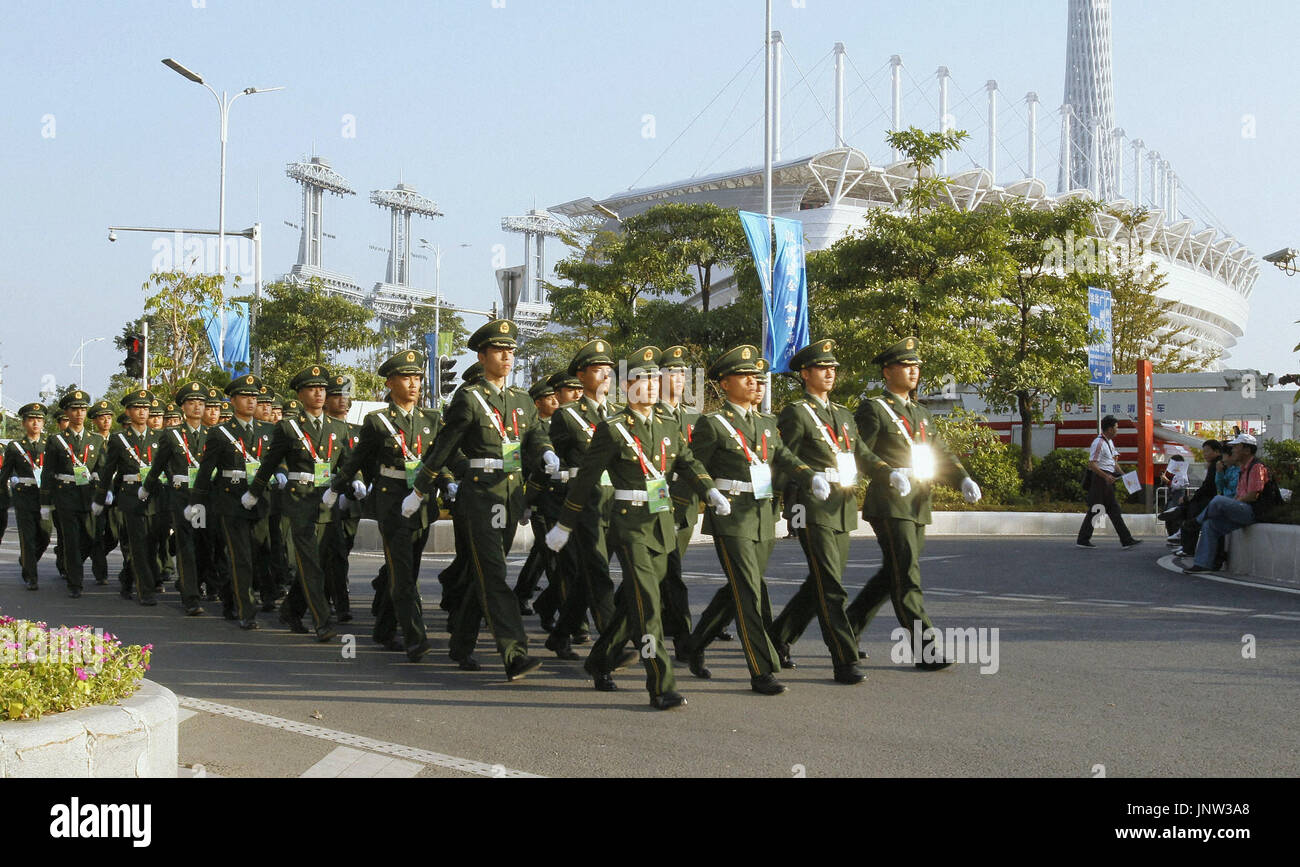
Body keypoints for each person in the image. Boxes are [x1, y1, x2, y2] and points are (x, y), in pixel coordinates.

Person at [545, 346, 728, 709]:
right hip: (629, 526)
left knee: (638, 603)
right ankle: (661, 683)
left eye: (651, 379)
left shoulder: (667, 424)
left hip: (661, 522)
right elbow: (585, 481)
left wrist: (710, 491)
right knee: (648, 606)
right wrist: (564, 525)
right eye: (638, 380)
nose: (647, 386)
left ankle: (601, 659)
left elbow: (688, 463)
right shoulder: (613, 430)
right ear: (626, 387)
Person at [408, 321, 555, 679]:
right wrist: (420, 489)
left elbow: (535, 436)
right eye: (499, 350)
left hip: (510, 494)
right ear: (482, 356)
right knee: (493, 573)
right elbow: (444, 446)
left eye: (511, 351)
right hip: (479, 496)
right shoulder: (469, 398)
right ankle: (514, 653)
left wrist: (547, 453)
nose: (507, 357)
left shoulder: (521, 400)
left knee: (482, 572)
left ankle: (461, 642)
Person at [683, 345, 822, 695]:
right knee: (749, 593)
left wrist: (809, 476)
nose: (755, 383)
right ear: (724, 383)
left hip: (762, 514)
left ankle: (694, 643)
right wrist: (706, 495)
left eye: (759, 378)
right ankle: (761, 668)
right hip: (731, 514)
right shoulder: (712, 424)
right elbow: (691, 465)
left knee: (738, 589)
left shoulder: (766, 422)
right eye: (746, 377)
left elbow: (786, 456)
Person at [847, 337, 982, 668]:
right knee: (907, 573)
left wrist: (962, 477)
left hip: (919, 500)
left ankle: (846, 628)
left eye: (917, 366)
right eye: (906, 366)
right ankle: (926, 648)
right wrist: (886, 474)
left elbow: (940, 450)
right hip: (891, 500)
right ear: (888, 371)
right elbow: (858, 451)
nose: (913, 372)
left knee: (894, 571)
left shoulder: (920, 413)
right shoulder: (875, 409)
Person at [768, 340, 881, 684]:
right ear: (805, 374)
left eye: (833, 367)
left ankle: (777, 637)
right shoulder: (796, 412)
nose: (830, 373)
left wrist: (889, 472)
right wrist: (782, 503)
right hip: (810, 503)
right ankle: (844, 658)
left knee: (821, 581)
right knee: (830, 585)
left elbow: (862, 453)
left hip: (842, 504)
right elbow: (782, 458)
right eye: (822, 368)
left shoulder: (844, 415)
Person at [329, 349, 450, 660]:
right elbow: (357, 459)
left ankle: (383, 627)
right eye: (406, 377)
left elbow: (438, 458)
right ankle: (414, 636)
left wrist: (448, 481)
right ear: (390, 382)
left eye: (418, 378)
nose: (413, 384)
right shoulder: (378, 421)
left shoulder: (431, 419)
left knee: (404, 568)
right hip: (392, 502)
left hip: (422, 502)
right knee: (404, 572)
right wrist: (338, 486)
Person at [248, 366, 350, 642]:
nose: (319, 393)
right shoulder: (288, 427)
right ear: (301, 394)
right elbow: (269, 463)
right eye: (312, 389)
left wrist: (354, 482)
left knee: (323, 560)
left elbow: (348, 464)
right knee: (310, 562)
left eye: (322, 389)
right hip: (299, 498)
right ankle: (322, 621)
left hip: (327, 499)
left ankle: (291, 610)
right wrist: (256, 491)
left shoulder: (338, 427)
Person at [545, 339, 622, 659]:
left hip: (616, 500)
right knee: (599, 569)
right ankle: (610, 646)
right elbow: (553, 460)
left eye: (609, 369)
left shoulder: (620, 413)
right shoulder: (567, 417)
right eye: (597, 369)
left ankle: (561, 634)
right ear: (581, 374)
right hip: (585, 502)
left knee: (586, 575)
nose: (605, 374)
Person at [191, 374, 274, 629]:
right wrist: (196, 503)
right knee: (240, 557)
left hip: (260, 500)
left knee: (260, 553)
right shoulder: (219, 433)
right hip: (231, 501)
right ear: (233, 399)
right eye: (245, 396)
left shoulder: (267, 430)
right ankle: (245, 610)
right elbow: (205, 472)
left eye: (254, 397)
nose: (251, 401)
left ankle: (229, 598)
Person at [142, 381, 210, 615]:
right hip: (181, 497)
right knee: (187, 545)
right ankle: (190, 597)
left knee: (203, 544)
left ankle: (192, 583)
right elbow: (159, 464)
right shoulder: (172, 436)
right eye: (192, 403)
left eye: (201, 403)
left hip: (203, 497)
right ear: (183, 407)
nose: (197, 407)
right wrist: (148, 486)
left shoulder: (212, 434)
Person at [656, 344, 704, 659]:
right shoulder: (650, 415)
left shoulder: (693, 415)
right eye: (672, 372)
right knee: (671, 574)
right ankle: (683, 639)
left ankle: (628, 613)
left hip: (686, 506)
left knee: (661, 571)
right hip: (658, 504)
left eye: (683, 373)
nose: (680, 378)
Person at [94, 389, 162, 605]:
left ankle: (127, 578)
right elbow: (108, 471)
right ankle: (145, 591)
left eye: (146, 408)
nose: (142, 412)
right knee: (139, 544)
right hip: (131, 496)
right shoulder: (119, 439)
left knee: (152, 544)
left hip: (154, 497)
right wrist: (99, 498)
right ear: (128, 411)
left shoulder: (159, 437)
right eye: (137, 408)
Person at [40, 389, 105, 599]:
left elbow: (102, 467)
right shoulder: (57, 440)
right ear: (67, 412)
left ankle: (69, 562)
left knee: (90, 537)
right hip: (65, 494)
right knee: (72, 539)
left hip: (88, 493)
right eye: (75, 409)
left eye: (83, 409)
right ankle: (75, 582)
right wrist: (45, 502)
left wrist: (103, 489)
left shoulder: (95, 439)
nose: (79, 413)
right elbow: (48, 471)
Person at [1184, 433, 1275, 574]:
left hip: (1255, 512)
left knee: (1218, 500)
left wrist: (1233, 503)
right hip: (1244, 510)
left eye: (1237, 447)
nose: (1233, 450)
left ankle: (1196, 521)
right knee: (1210, 525)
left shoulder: (1257, 467)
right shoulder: (1244, 469)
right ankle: (1203, 564)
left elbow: (1253, 495)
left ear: (1247, 450)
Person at [322, 373, 360, 623]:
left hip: (353, 500)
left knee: (342, 550)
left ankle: (335, 593)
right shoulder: (321, 429)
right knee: (330, 552)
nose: (343, 401)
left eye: (346, 396)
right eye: (337, 396)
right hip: (327, 497)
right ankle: (335, 600)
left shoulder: (358, 431)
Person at [2, 403, 52, 589]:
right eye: (31, 420)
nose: (35, 423)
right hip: (24, 496)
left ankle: (26, 560)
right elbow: (5, 472)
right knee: (28, 537)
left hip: (45, 497)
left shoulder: (50, 445)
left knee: (45, 535)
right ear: (24, 423)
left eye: (39, 420)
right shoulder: (15, 447)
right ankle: (31, 576)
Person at [1076, 415, 1142, 550]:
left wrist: (1124, 476)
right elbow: (1092, 464)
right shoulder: (1098, 443)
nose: (1118, 430)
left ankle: (1125, 539)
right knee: (1099, 510)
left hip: (1107, 480)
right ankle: (1085, 539)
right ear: (1110, 429)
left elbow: (1113, 463)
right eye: (1116, 427)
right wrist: (1106, 476)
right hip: (1100, 480)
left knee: (1109, 509)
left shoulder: (1109, 443)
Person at [1160, 440, 1223, 557]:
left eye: (1207, 451)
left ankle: (1185, 543)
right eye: (1203, 451)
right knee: (1187, 512)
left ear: (1217, 451)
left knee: (1190, 513)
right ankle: (1183, 541)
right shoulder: (1214, 465)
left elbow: (1208, 487)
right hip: (1210, 498)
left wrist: (1190, 498)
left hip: (1212, 500)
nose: (1204, 454)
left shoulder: (1216, 465)